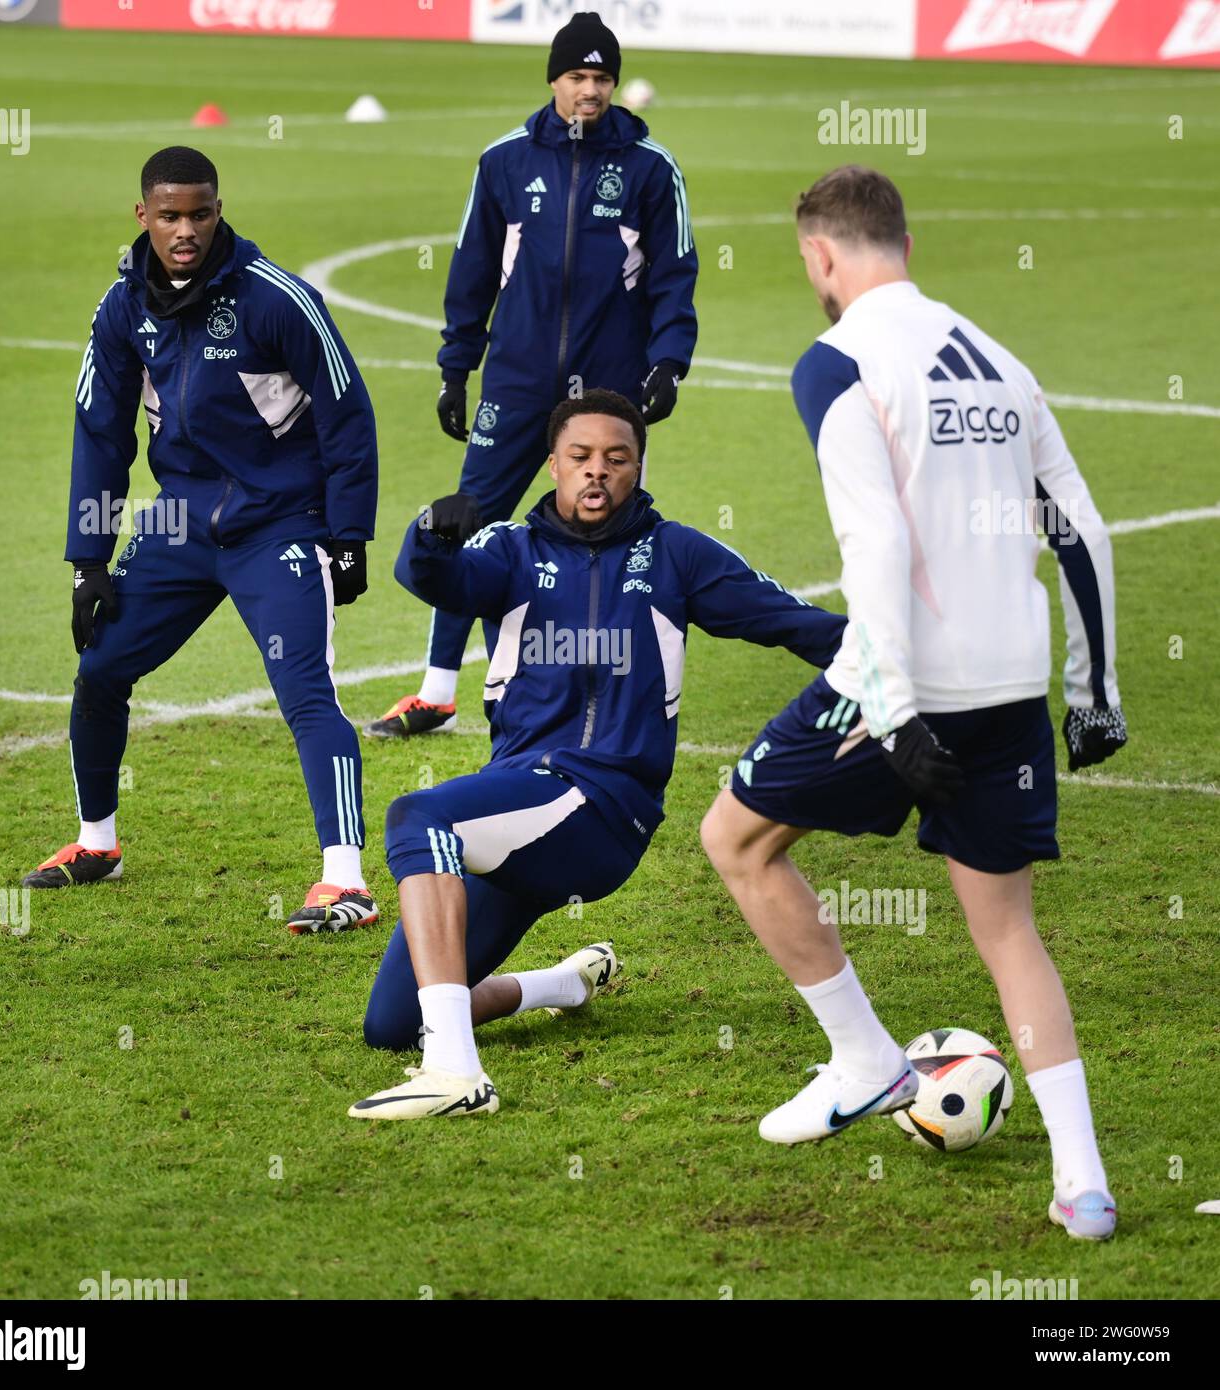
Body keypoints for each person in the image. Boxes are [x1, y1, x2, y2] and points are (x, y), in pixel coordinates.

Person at [699, 166, 1127, 1240]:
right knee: (1009, 934)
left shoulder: (835, 361)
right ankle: (1082, 1186)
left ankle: (861, 1057)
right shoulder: (999, 360)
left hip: (898, 688)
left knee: (736, 839)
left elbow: (874, 545)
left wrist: (887, 712)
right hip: (1007, 689)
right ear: (902, 239)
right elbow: (1079, 529)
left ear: (818, 257)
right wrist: (1093, 692)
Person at [349, 389, 845, 1119]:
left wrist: (909, 662)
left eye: (617, 459)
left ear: (639, 468)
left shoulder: (676, 553)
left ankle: (456, 1074)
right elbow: (432, 580)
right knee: (390, 1025)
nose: (597, 473)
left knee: (419, 817)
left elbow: (794, 624)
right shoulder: (509, 551)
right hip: (519, 807)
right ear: (552, 464)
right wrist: (430, 533)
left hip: (604, 807)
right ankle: (564, 984)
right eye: (580, 457)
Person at [23, 146, 382, 935]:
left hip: (279, 526)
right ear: (143, 214)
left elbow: (347, 415)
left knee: (305, 691)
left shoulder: (276, 299)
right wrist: (88, 559)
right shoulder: (121, 307)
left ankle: (346, 881)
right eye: (170, 215)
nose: (186, 230)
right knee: (101, 667)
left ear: (219, 211)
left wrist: (349, 537)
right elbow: (100, 433)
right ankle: (97, 844)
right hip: (180, 525)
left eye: (201, 213)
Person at [364, 10, 698, 740]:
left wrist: (669, 362)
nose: (591, 90)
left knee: (607, 528)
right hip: (515, 381)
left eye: (602, 77)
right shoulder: (505, 162)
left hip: (609, 385)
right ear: (553, 79)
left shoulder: (649, 167)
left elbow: (676, 276)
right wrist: (457, 367)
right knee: (468, 521)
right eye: (578, 76)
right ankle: (436, 690)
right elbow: (472, 270)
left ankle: (609, 681)